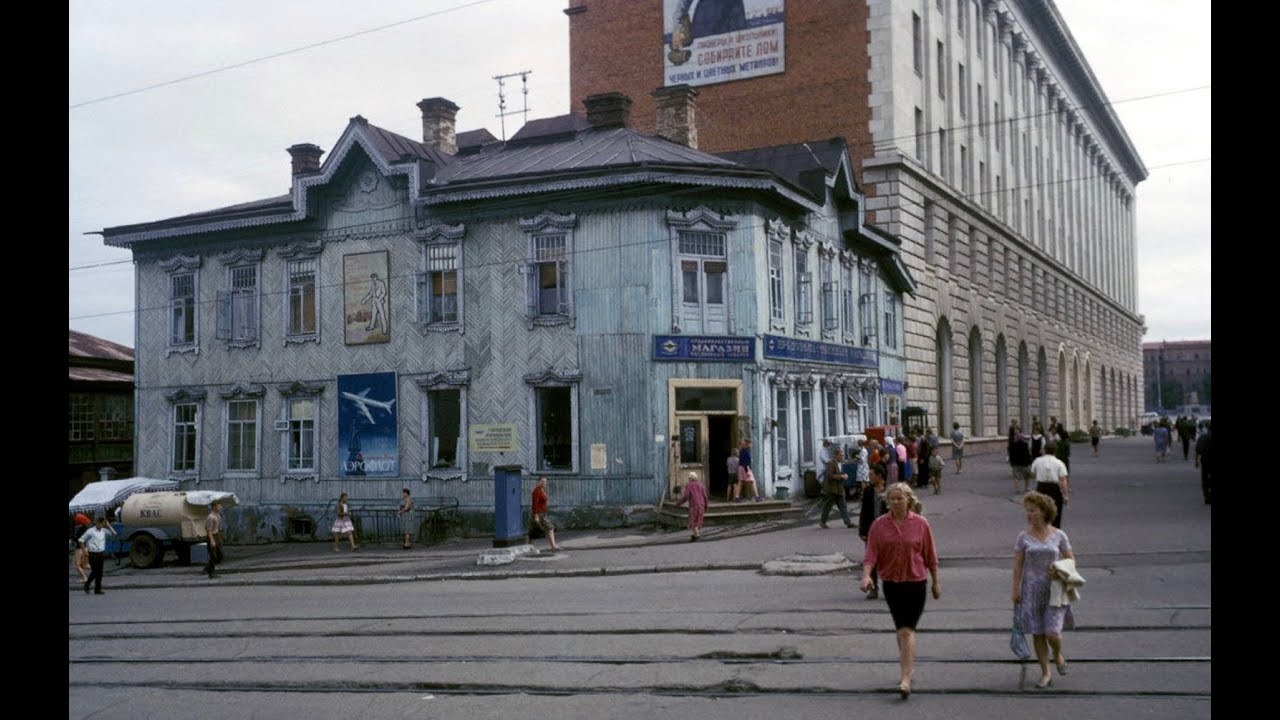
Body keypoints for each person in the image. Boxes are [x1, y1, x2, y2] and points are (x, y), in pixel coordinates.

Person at [859, 482, 941, 699]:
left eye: (899, 498)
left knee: (906, 630)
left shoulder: (921, 524)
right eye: (892, 499)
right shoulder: (878, 525)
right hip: (892, 584)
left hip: (916, 583)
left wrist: (935, 582)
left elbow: (930, 556)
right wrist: (866, 575)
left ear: (908, 500)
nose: (895, 502)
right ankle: (908, 665)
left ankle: (905, 678)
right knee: (901, 629)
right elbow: (871, 554)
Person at [1012, 491, 1076, 689]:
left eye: (1033, 510)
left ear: (1044, 512)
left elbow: (1071, 559)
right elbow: (1018, 566)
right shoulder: (1023, 537)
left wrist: (1060, 570)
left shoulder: (1059, 535)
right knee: (1038, 632)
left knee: (1052, 632)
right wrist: (1015, 590)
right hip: (1031, 589)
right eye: (1027, 511)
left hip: (1055, 589)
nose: (1029, 514)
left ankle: (1057, 654)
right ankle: (1045, 672)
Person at [858, 464, 889, 599]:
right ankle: (873, 588)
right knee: (871, 560)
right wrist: (862, 530)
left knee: (888, 559)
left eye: (872, 475)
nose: (869, 477)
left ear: (880, 476)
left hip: (887, 530)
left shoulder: (889, 491)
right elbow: (864, 512)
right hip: (871, 529)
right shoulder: (868, 491)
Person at [1030, 440, 1070, 528]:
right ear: (1055, 450)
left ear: (1044, 450)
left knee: (1041, 510)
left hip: (1041, 487)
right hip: (1054, 488)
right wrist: (1065, 495)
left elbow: (1032, 473)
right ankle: (1054, 530)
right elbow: (1063, 480)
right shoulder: (1059, 463)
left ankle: (1042, 528)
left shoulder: (1037, 461)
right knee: (1055, 511)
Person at [79, 515, 116, 594]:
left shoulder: (103, 530)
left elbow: (114, 534)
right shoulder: (90, 531)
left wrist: (108, 525)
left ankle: (97, 589)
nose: (100, 525)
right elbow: (81, 540)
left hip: (101, 553)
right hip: (93, 554)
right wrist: (84, 551)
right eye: (99, 523)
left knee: (100, 572)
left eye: (102, 523)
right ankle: (87, 584)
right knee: (95, 571)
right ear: (96, 523)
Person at [819, 448, 854, 529]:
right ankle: (822, 521)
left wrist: (844, 475)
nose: (842, 457)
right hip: (832, 488)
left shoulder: (841, 463)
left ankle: (848, 522)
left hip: (839, 488)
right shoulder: (831, 463)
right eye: (841, 455)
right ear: (836, 455)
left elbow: (840, 472)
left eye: (843, 455)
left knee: (843, 506)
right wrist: (841, 476)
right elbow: (830, 475)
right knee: (828, 506)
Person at [674, 471, 709, 541]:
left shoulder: (689, 485)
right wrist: (706, 506)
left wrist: (679, 503)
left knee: (693, 521)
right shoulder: (701, 484)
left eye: (688, 478)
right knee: (698, 521)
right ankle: (694, 535)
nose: (688, 479)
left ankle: (697, 535)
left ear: (690, 478)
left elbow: (686, 496)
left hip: (694, 506)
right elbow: (705, 496)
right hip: (701, 505)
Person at [531, 476, 562, 551]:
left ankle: (530, 547)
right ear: (538, 481)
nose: (544, 483)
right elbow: (535, 504)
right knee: (550, 528)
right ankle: (553, 546)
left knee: (534, 530)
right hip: (539, 514)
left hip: (543, 513)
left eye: (545, 481)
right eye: (542, 481)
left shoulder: (542, 490)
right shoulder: (537, 491)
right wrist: (536, 515)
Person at [1009, 424, 1033, 493]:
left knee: (1016, 476)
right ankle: (1026, 487)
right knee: (1027, 475)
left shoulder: (1012, 443)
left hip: (1016, 462)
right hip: (1024, 462)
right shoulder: (1024, 443)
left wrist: (1011, 462)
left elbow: (1011, 453)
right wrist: (1029, 461)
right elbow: (1027, 453)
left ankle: (1017, 489)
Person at [204, 500, 224, 578]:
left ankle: (207, 568)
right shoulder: (210, 517)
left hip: (216, 536)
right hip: (211, 537)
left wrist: (220, 537)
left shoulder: (218, 515)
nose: (220, 507)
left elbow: (218, 528)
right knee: (213, 556)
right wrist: (212, 541)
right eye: (219, 506)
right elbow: (209, 530)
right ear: (214, 507)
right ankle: (211, 573)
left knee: (220, 556)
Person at [1194, 420, 1211, 505]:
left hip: (1206, 460)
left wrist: (1196, 461)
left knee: (1205, 478)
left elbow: (1198, 450)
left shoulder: (1203, 437)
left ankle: (1207, 496)